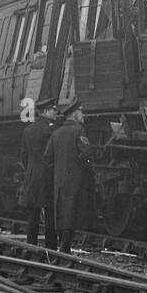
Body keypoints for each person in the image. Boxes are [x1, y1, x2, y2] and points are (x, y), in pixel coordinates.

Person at [43, 100, 93, 253]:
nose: (83, 115)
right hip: (75, 178)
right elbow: (86, 153)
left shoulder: (56, 133)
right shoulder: (79, 130)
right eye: (81, 112)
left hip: (59, 178)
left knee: (62, 210)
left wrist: (59, 169)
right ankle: (65, 246)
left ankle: (63, 245)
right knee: (72, 210)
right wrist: (80, 167)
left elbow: (47, 158)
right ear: (75, 113)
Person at [19, 98, 58, 247]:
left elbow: (23, 155)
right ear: (45, 111)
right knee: (50, 214)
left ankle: (31, 246)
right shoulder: (53, 130)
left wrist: (30, 168)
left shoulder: (28, 130)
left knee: (33, 215)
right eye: (53, 110)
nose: (55, 112)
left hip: (32, 175)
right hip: (49, 175)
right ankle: (51, 247)